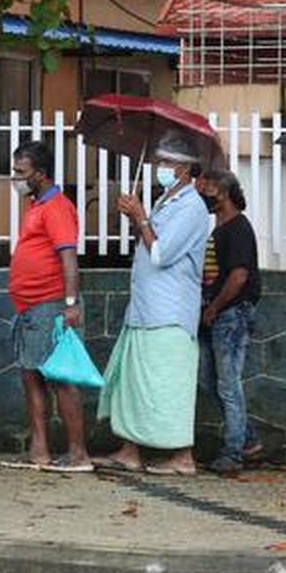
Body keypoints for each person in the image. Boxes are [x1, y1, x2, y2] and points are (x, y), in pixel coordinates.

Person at [99, 132, 209, 476]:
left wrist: (141, 216)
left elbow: (161, 254)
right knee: (134, 382)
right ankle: (129, 450)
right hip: (146, 309)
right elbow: (150, 242)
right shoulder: (165, 200)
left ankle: (183, 457)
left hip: (169, 312)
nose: (160, 167)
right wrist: (136, 218)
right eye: (159, 160)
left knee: (168, 385)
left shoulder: (192, 207)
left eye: (167, 162)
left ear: (185, 168)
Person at [0, 141, 90, 473]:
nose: (16, 178)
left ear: (40, 173)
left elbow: (68, 257)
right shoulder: (37, 205)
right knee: (31, 375)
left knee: (60, 378)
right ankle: (39, 451)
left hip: (51, 305)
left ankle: (78, 453)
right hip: (32, 307)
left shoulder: (57, 207)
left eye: (21, 172)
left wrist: (70, 304)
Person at [196, 169, 263, 474]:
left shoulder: (238, 229)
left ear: (224, 193)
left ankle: (234, 451)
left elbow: (239, 276)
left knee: (227, 383)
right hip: (218, 313)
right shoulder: (221, 227)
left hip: (231, 314)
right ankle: (248, 440)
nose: (204, 193)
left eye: (209, 188)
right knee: (211, 381)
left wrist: (215, 307)